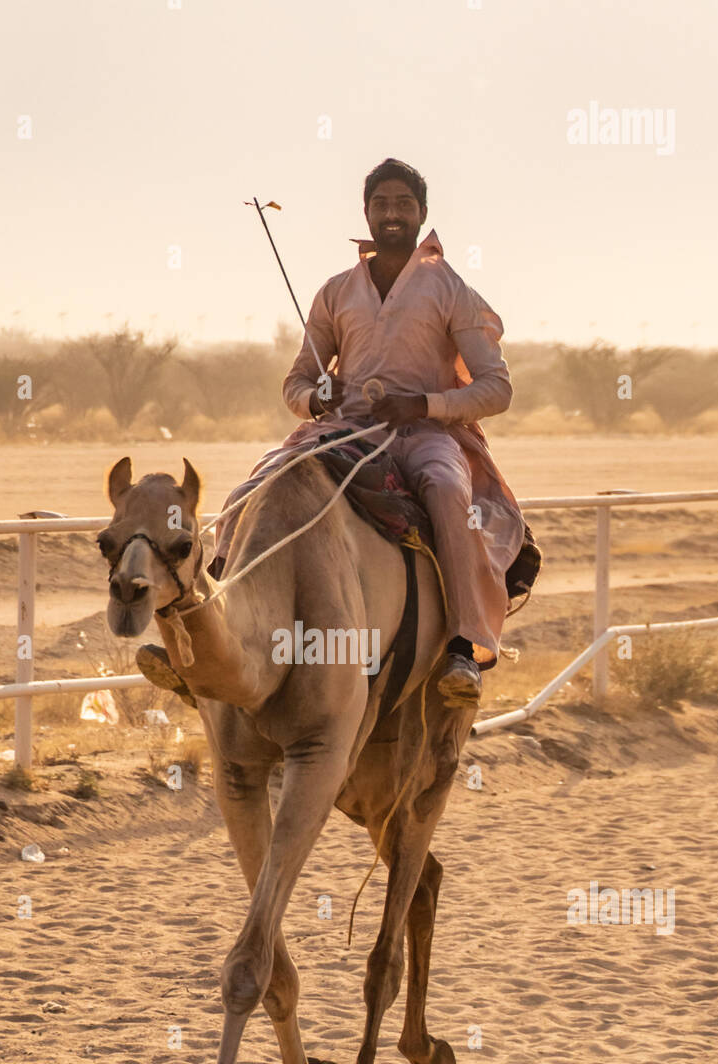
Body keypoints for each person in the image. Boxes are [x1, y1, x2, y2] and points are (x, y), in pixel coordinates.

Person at [211, 156, 525, 706]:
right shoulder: (335, 291)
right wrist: (315, 398)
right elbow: (296, 382)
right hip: (344, 430)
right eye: (381, 204)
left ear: (423, 213)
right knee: (253, 486)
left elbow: (496, 389)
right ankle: (216, 625)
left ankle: (463, 647)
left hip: (428, 434)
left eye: (404, 204)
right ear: (366, 213)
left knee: (449, 492)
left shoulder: (451, 290)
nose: (392, 213)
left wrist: (424, 404)